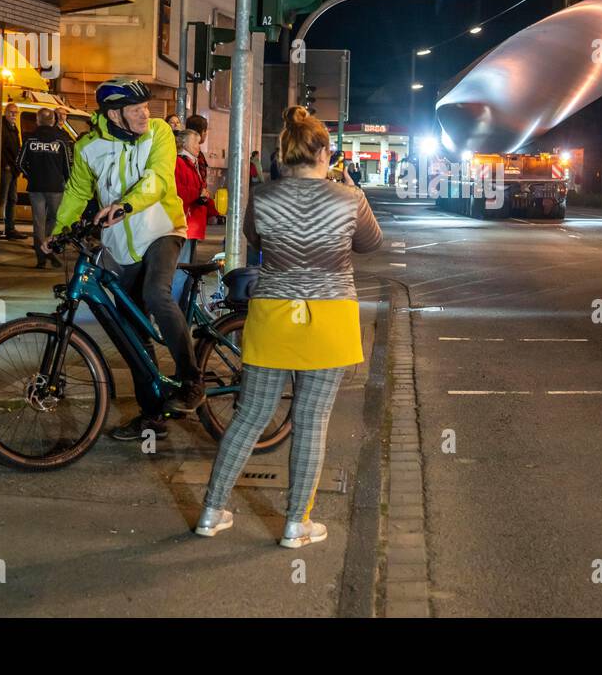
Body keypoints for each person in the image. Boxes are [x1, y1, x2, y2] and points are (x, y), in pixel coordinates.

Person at [195, 105, 383, 546]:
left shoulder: (263, 197)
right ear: (325, 153)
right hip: (329, 317)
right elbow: (371, 243)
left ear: (283, 155)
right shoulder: (348, 198)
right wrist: (353, 190)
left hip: (273, 315)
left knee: (250, 417)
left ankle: (211, 511)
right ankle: (297, 523)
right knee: (311, 420)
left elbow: (255, 239)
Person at [49, 78, 201, 440]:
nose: (145, 114)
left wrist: (126, 205)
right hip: (120, 246)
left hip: (162, 230)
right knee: (131, 333)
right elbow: (77, 191)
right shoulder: (88, 147)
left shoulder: (159, 133)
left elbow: (158, 179)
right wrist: (58, 231)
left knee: (156, 294)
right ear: (114, 114)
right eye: (136, 109)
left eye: (145, 107)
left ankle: (191, 380)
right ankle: (153, 416)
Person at [17, 107, 73, 269]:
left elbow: (19, 163)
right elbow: (68, 165)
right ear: (53, 120)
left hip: (36, 187)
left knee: (38, 222)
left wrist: (30, 175)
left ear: (37, 120)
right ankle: (50, 249)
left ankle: (41, 258)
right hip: (55, 187)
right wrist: (66, 181)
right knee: (54, 220)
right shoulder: (61, 140)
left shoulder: (30, 139)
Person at [174, 129, 208, 264]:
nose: (198, 146)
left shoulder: (192, 163)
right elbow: (178, 191)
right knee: (183, 264)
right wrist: (199, 193)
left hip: (191, 220)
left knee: (187, 262)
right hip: (185, 220)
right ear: (184, 144)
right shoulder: (179, 162)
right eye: (195, 142)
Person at [0, 102, 25, 240]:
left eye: (16, 112)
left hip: (13, 169)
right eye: (11, 112)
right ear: (6, 112)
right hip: (6, 169)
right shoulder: (2, 127)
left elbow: (17, 147)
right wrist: (6, 165)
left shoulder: (14, 128)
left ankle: (10, 228)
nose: (14, 115)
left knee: (12, 199)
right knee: (2, 199)